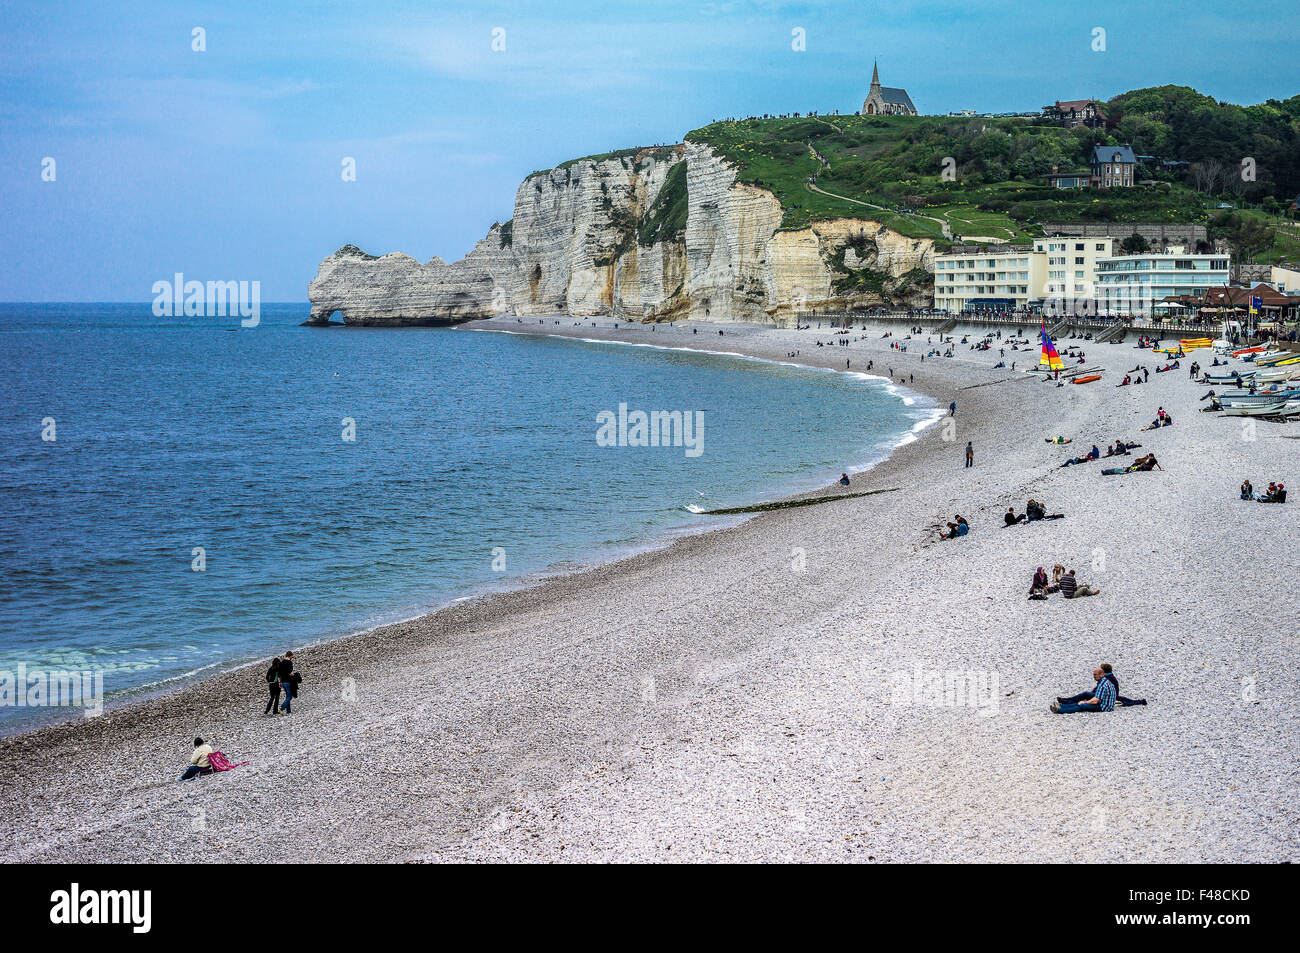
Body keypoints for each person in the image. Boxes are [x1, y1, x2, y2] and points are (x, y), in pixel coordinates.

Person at [1050, 668, 1115, 713]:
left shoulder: (1102, 685)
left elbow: (1095, 701)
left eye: (1095, 675)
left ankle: (1060, 710)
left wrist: (1085, 702)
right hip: (1105, 702)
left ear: (1101, 674)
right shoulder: (1104, 681)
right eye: (1093, 675)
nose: (1094, 676)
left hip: (1104, 707)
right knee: (1085, 694)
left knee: (1082, 706)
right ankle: (1063, 704)